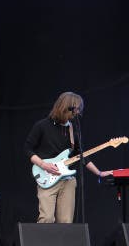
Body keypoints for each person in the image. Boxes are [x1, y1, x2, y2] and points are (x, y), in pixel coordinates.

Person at [24, 92, 113, 223]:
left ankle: (63, 244)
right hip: (46, 176)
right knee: (46, 218)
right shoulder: (42, 126)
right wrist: (43, 164)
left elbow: (80, 156)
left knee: (66, 222)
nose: (77, 112)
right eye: (75, 109)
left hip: (68, 181)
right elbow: (28, 148)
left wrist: (99, 173)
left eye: (78, 109)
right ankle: (42, 244)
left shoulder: (73, 129)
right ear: (65, 107)